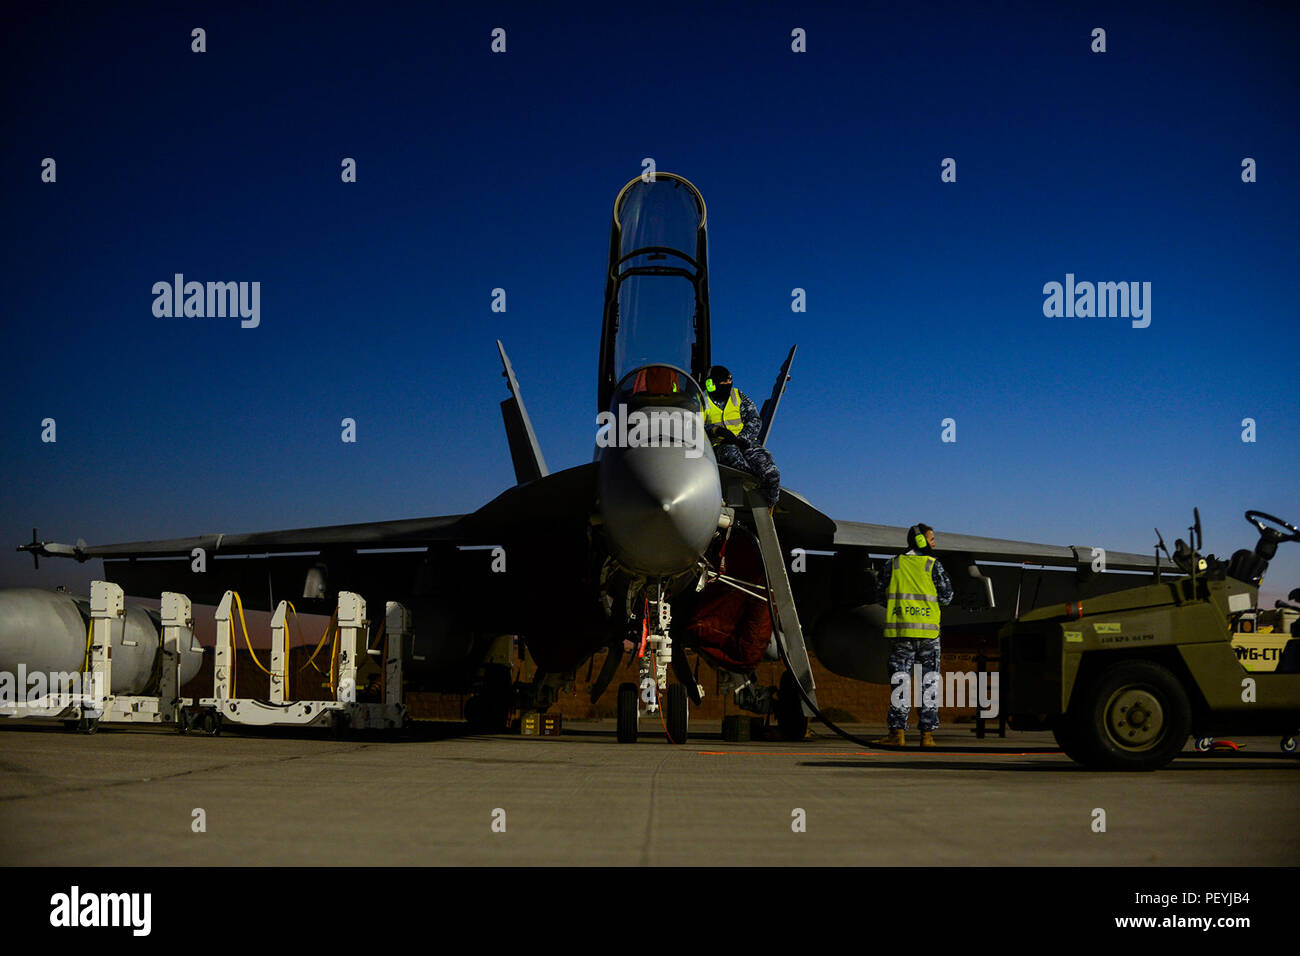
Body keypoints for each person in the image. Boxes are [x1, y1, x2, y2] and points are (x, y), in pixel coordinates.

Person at [870, 523, 952, 748]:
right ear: (921, 541)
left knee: (900, 684)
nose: (934, 543)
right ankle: (927, 736)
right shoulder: (934, 565)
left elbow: (879, 596)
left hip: (902, 633)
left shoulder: (892, 565)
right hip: (929, 635)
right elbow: (946, 597)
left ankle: (897, 734)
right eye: (932, 539)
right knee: (929, 684)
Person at [701, 365, 781, 506]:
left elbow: (754, 419)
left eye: (729, 383)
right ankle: (745, 495)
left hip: (744, 442)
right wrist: (715, 430)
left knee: (771, 472)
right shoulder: (702, 400)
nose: (728, 386)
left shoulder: (738, 396)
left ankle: (769, 505)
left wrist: (743, 438)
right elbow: (692, 424)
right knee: (734, 460)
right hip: (719, 445)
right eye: (723, 383)